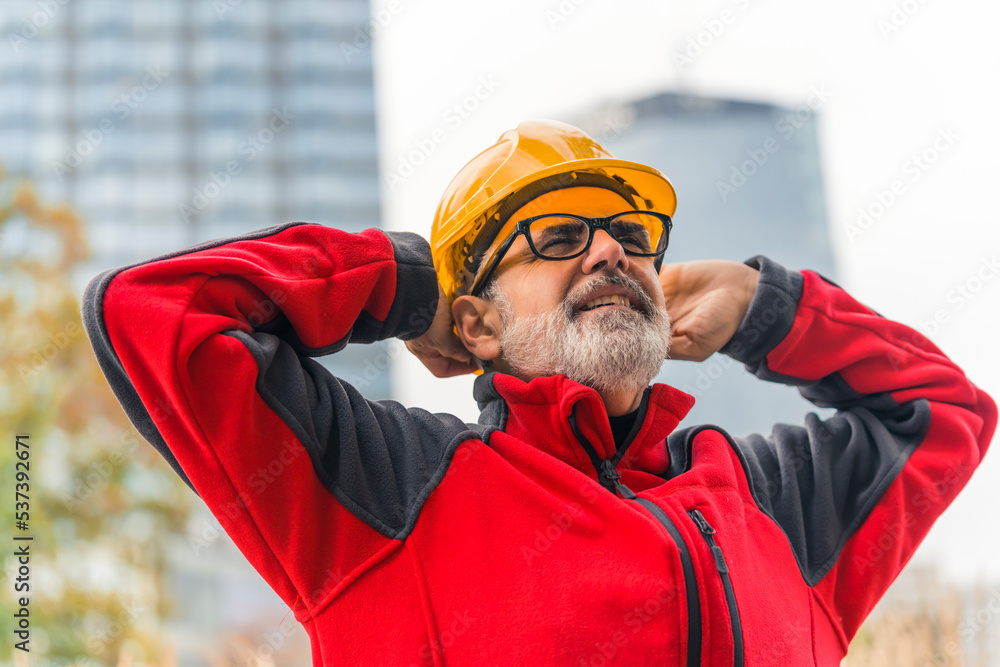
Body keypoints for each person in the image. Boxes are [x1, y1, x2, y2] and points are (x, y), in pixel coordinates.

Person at [83, 119, 995, 666]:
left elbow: (948, 412)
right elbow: (152, 311)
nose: (611, 253)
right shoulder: (382, 488)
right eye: (557, 237)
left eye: (632, 237)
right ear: (476, 324)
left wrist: (774, 311)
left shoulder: (772, 502)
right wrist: (404, 283)